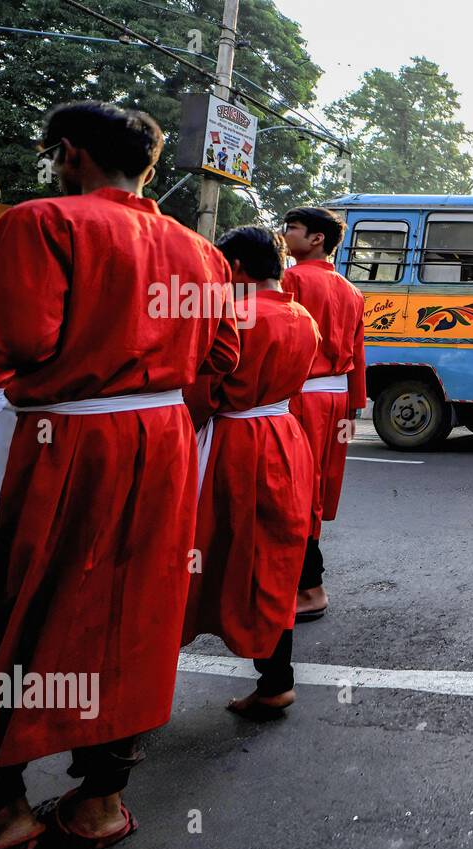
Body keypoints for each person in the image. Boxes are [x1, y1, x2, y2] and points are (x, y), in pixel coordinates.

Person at [0, 102, 238, 849]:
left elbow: (25, 339)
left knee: (32, 598)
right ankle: (100, 802)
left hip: (71, 435)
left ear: (69, 154)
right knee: (138, 610)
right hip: (163, 442)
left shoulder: (42, 223)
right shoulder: (204, 253)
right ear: (151, 166)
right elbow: (223, 357)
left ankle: (5, 809)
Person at [183, 227, 320, 720]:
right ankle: (275, 679)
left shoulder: (236, 314)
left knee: (197, 549)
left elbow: (202, 391)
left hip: (234, 444)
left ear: (236, 267)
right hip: (285, 436)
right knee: (273, 560)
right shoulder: (302, 316)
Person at [280, 207, 367, 622]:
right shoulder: (351, 289)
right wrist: (356, 402)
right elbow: (358, 355)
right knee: (316, 491)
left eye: (292, 228)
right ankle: (307, 584)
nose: (284, 233)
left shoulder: (291, 280)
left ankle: (307, 586)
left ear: (316, 238)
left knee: (293, 491)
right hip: (336, 401)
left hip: (299, 396)